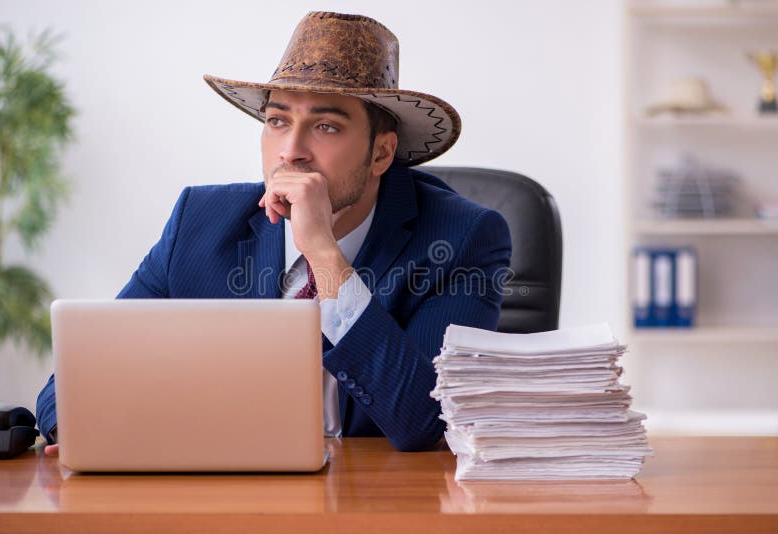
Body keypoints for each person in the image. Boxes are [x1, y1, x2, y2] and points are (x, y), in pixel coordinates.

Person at [37, 11, 511, 453]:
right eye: (278, 121)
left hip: (373, 496)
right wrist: (86, 431)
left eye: (326, 126)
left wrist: (325, 257)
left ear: (382, 154)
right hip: (225, 488)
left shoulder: (464, 238)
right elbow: (67, 389)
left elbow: (427, 423)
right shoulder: (198, 221)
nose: (291, 151)